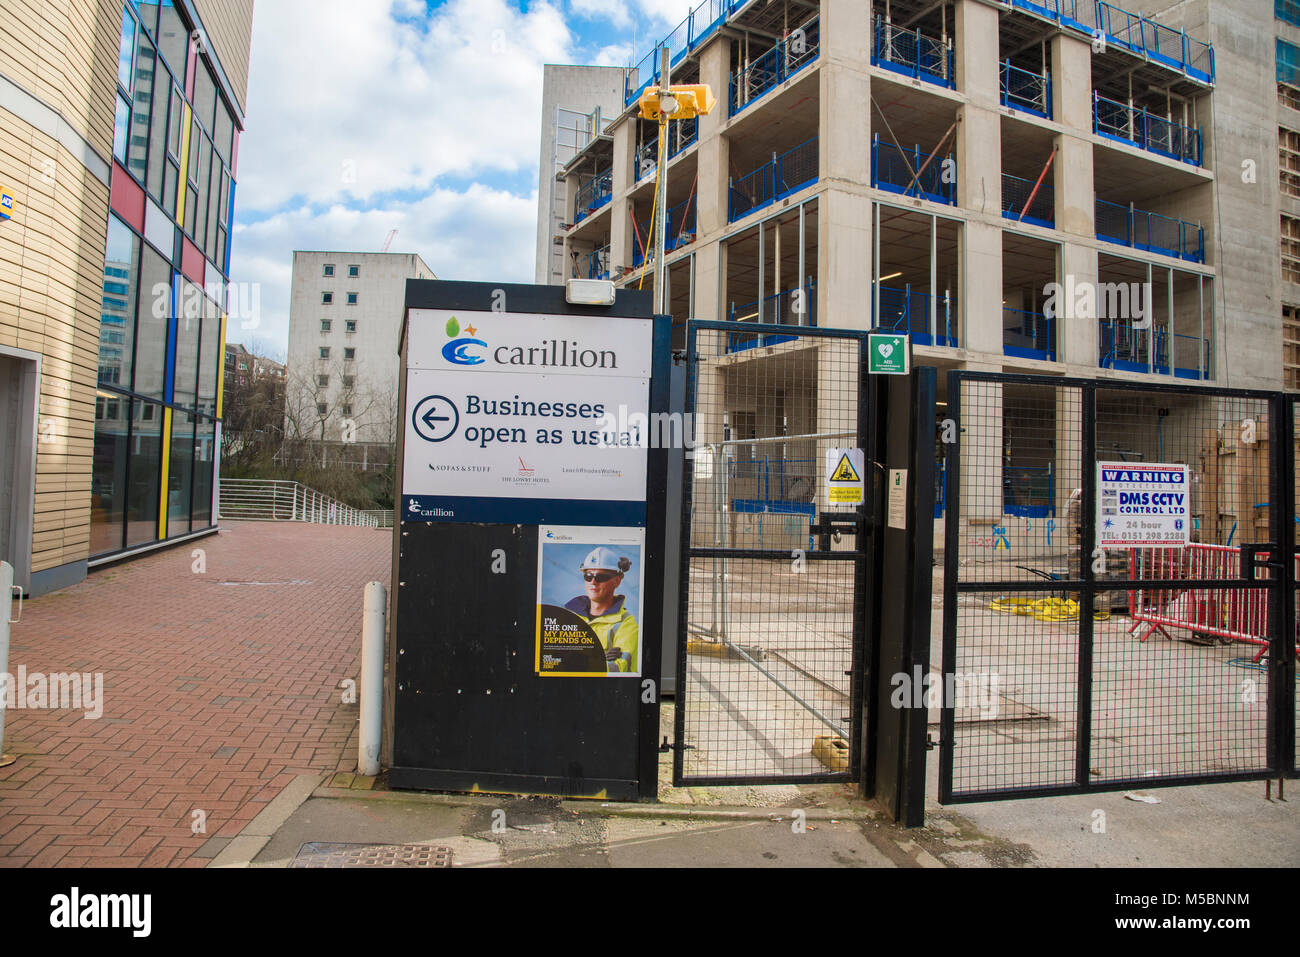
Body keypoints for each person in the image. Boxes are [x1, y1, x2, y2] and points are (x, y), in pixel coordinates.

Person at [565, 547, 638, 674]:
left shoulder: (626, 624)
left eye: (601, 577)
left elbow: (619, 668)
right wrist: (601, 658)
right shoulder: (570, 618)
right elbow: (554, 659)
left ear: (617, 581)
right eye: (588, 576)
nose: (593, 582)